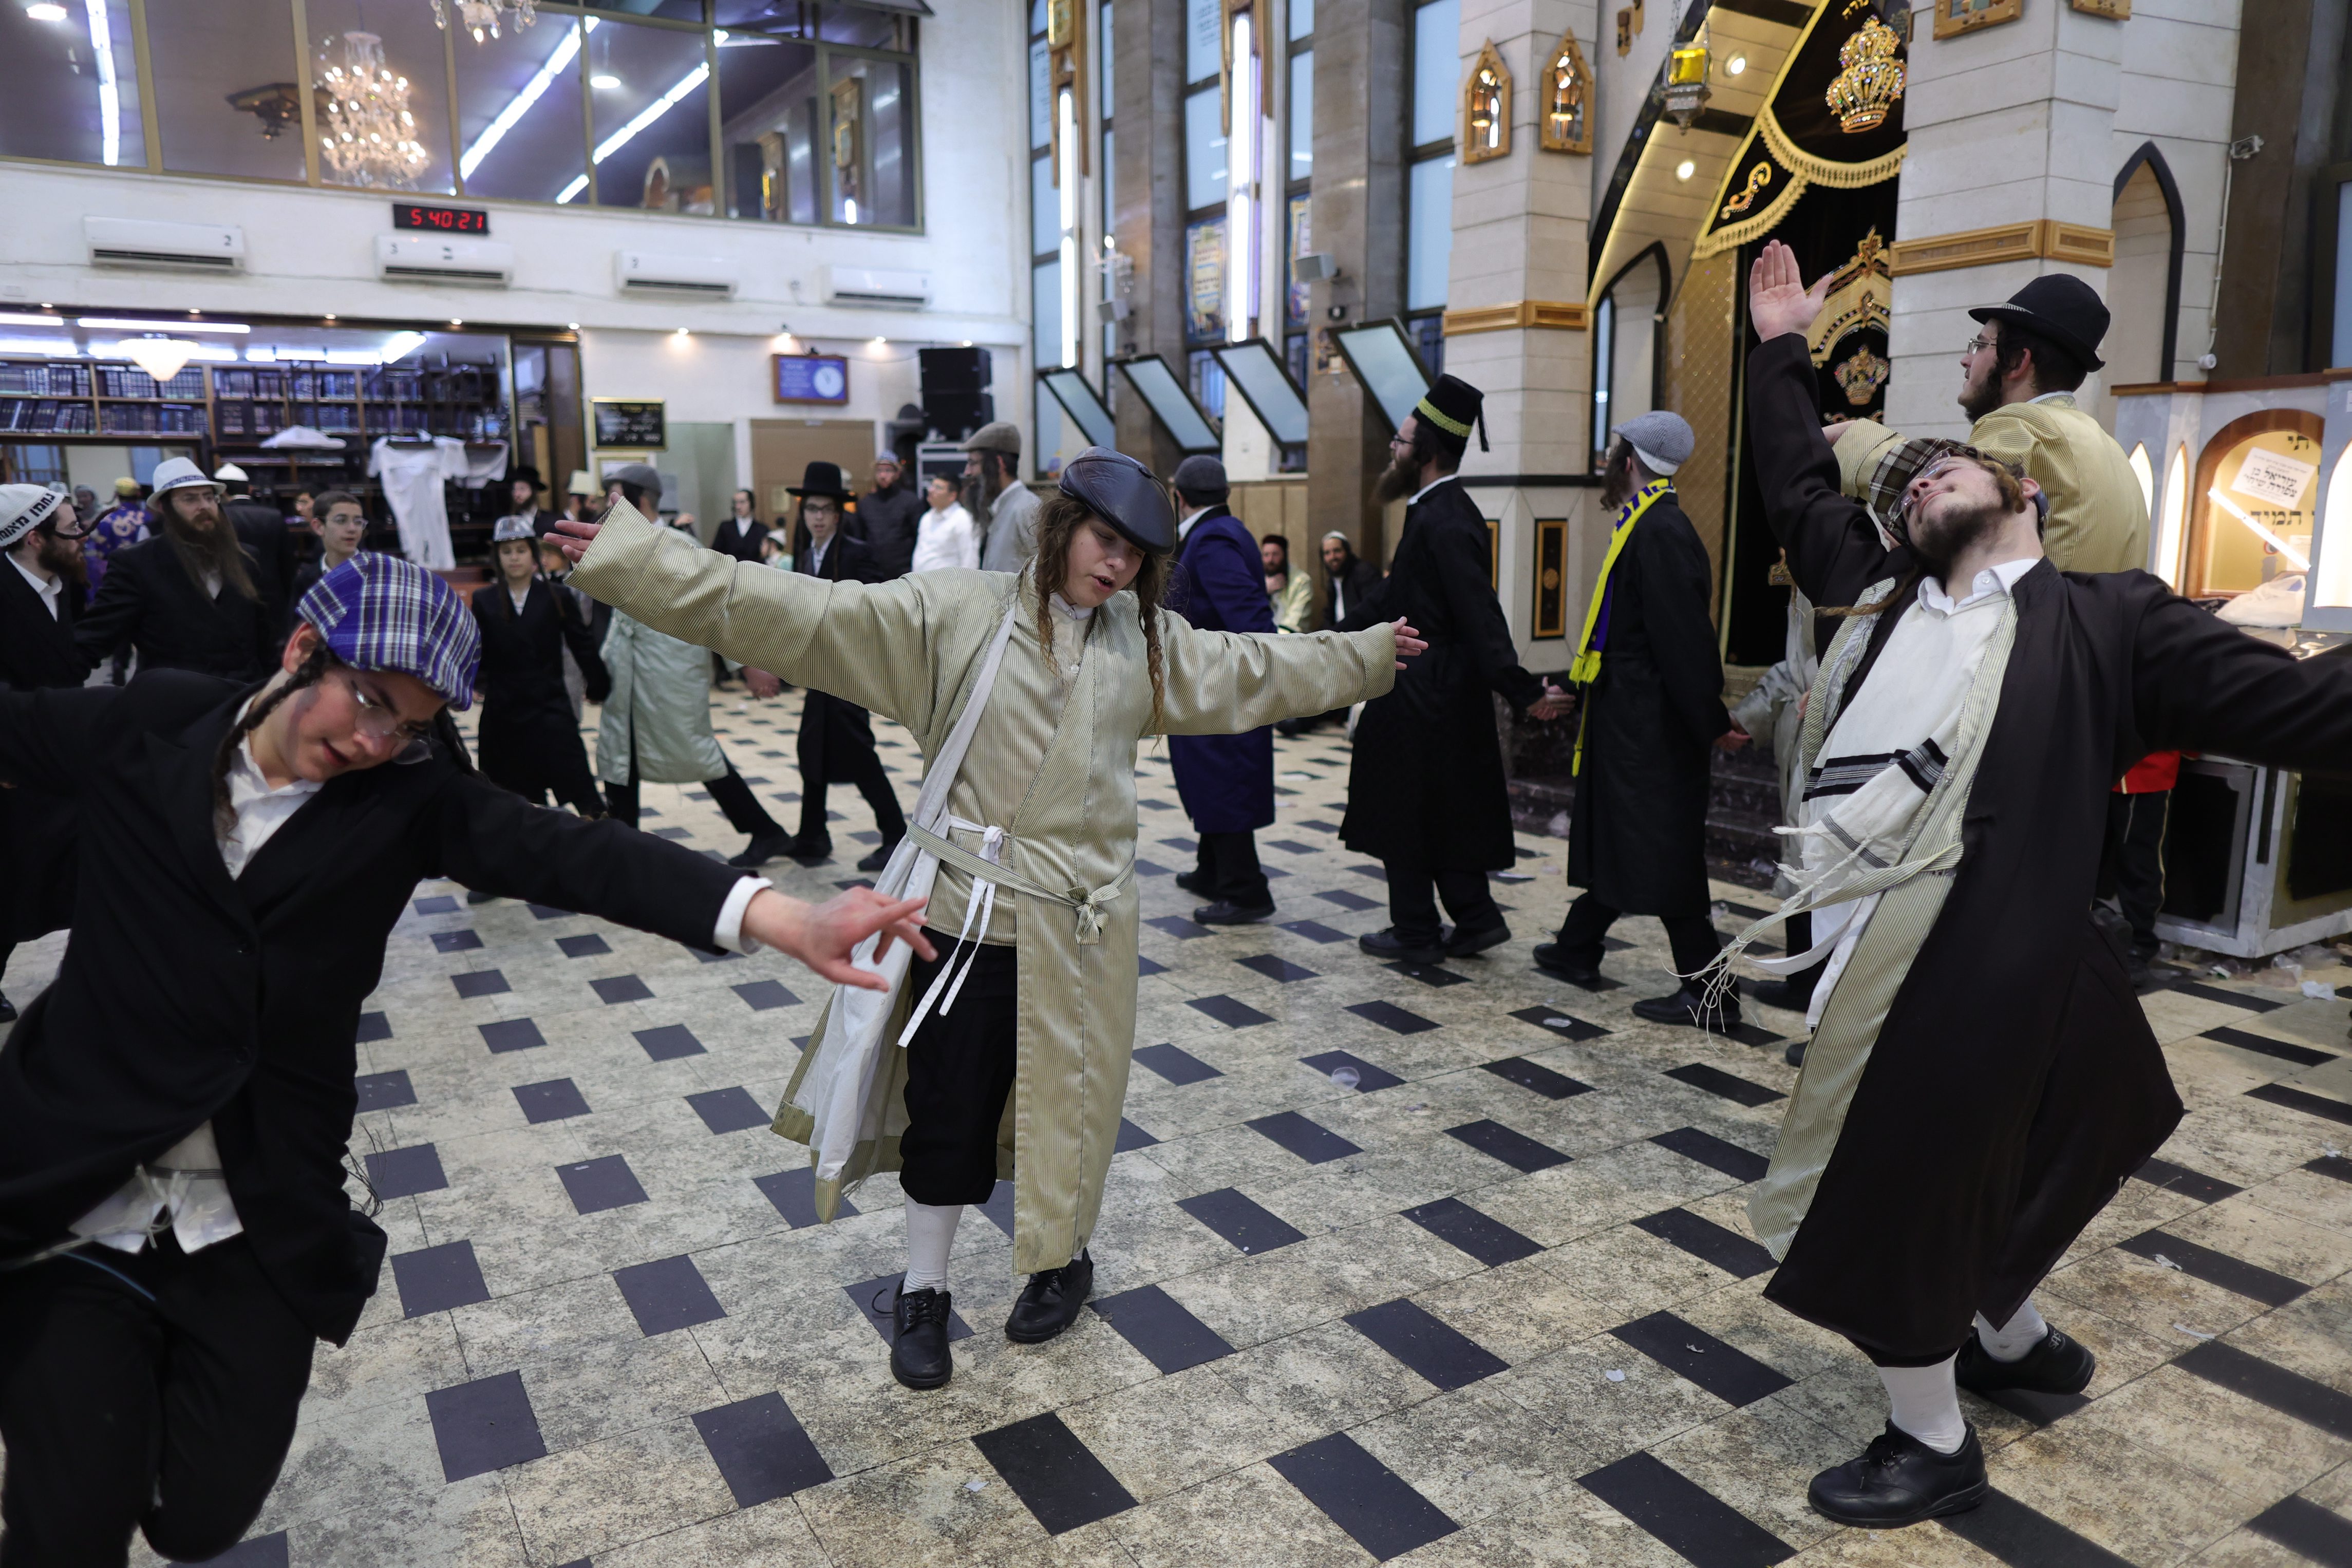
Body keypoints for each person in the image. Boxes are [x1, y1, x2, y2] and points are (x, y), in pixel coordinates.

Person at [0, 552, 932, 1568]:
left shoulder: (403, 798)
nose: (371, 740)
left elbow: (572, 852)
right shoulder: (158, 721)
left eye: (405, 724)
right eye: (366, 704)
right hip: (80, 1183)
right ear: (302, 649)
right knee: (69, 1523)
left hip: (256, 1198)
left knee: (199, 1514)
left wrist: (782, 914)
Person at [552, 446, 1415, 1393]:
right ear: (1058, 527)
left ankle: (1060, 1258)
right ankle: (923, 1289)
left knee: (1072, 1105)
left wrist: (1366, 651)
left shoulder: (1146, 641)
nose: (1116, 563)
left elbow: (1253, 670)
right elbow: (795, 609)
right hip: (962, 914)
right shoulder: (954, 612)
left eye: (1134, 551)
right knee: (948, 1108)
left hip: (1081, 926)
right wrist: (637, 558)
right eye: (1100, 538)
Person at [1728, 238, 2352, 1528]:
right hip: (1859, 954)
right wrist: (1782, 347)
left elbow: (2298, 704)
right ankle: (2012, 1337)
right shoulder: (1880, 595)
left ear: (2024, 495)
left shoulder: (2108, 619)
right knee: (1969, 1173)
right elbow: (1798, 486)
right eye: (1903, 490)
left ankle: (1935, 1433)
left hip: (1978, 977)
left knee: (1894, 1196)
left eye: (1947, 464)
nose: (1920, 484)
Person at [1339, 375, 1568, 966]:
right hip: (1427, 683)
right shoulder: (1434, 511)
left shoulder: (1445, 518)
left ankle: (1415, 928)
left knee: (1403, 806)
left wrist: (1521, 689)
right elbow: (1397, 594)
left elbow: (1478, 613)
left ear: (1428, 451)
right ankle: (1475, 917)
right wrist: (1324, 637)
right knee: (1438, 807)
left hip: (1428, 691)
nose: (1394, 447)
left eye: (1402, 439)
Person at [1534, 411, 1748, 1030]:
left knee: (1663, 853)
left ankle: (1712, 993)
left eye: (1612, 449)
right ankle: (1578, 947)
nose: (1608, 458)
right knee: (1622, 836)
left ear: (1627, 460)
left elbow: (1685, 642)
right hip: (1627, 721)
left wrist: (1710, 719)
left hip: (1650, 732)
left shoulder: (1659, 531)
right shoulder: (1647, 523)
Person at [1827, 274, 2147, 575]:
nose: (1966, 360)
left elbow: (1945, 504)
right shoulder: (2111, 448)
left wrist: (1850, 436)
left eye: (1980, 346)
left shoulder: (2023, 423)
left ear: (2017, 361)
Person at [591, 465, 796, 867]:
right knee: (620, 751)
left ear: (641, 499)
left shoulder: (677, 545)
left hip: (671, 671)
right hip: (629, 668)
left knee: (697, 750)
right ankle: (622, 845)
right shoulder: (616, 544)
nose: (607, 506)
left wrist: (746, 665)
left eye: (615, 496)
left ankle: (765, 831)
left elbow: (717, 606)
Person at [751, 463, 907, 874]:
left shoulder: (856, 551)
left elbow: (878, 606)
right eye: (811, 509)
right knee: (811, 747)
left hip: (849, 673)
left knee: (859, 754)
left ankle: (895, 837)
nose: (818, 517)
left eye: (825, 509)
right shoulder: (805, 556)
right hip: (818, 674)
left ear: (838, 513)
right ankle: (813, 834)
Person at [1164, 456, 1279, 924]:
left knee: (1223, 784)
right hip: (1209, 689)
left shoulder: (1211, 540)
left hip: (1218, 690)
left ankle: (1245, 890)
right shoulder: (1225, 529)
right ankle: (1211, 869)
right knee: (1207, 781)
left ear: (1180, 496)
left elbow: (1251, 619)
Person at [0, 486, 93, 1026]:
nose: (81, 538)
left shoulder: (63, 584)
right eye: (70, 529)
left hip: (61, 761)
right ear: (34, 537)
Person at [1728, 556, 1826, 1046]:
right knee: (1796, 850)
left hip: (1824, 726)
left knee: (1815, 851)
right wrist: (1749, 716)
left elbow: (1811, 668)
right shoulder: (1810, 575)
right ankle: (1801, 978)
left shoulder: (1838, 571)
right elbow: (1793, 667)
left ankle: (1815, 986)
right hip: (1799, 721)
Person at [77, 458, 275, 684]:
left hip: (242, 698)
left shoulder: (245, 560)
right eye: (190, 499)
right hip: (175, 702)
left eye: (209, 497)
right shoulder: (137, 564)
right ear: (163, 507)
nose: (204, 506)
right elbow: (96, 636)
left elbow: (264, 637)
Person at [469, 516, 609, 823]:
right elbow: (476, 649)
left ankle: (605, 851)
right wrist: (476, 683)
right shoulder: (484, 599)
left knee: (582, 790)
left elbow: (581, 643)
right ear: (497, 557)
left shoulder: (556, 596)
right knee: (509, 797)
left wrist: (599, 683)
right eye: (507, 552)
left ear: (534, 554)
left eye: (521, 550)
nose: (515, 558)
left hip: (550, 706)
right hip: (503, 711)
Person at [1278, 532, 1385, 735]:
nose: (1332, 557)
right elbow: (1330, 615)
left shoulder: (1364, 573)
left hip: (1363, 643)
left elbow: (1366, 613)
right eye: (1327, 553)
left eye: (1337, 551)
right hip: (1342, 641)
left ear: (1347, 552)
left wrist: (1333, 637)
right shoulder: (1334, 581)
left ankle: (1303, 720)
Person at [215, 463, 297, 636]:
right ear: (250, 489)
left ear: (222, 493)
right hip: (273, 597)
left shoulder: (219, 517)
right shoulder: (274, 515)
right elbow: (287, 563)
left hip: (233, 597)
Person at [964, 422, 1041, 574]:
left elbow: (1047, 573)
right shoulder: (999, 508)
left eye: (973, 463)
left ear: (999, 464)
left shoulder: (1027, 507)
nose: (968, 472)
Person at [288, 489, 368, 621]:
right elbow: (296, 632)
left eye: (358, 522)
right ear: (319, 527)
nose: (352, 529)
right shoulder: (306, 580)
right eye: (341, 521)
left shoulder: (378, 575)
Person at [82, 477, 150, 602]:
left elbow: (100, 554)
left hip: (117, 578)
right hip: (148, 577)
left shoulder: (106, 520)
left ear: (117, 495)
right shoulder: (149, 518)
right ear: (138, 495)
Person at [857, 454, 924, 578]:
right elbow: (860, 540)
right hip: (873, 574)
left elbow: (921, 539)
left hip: (904, 573)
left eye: (888, 471)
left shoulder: (911, 501)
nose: (883, 476)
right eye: (880, 471)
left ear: (897, 473)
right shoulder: (865, 503)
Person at [911, 473, 979, 572]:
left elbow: (969, 560)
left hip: (949, 586)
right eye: (932, 486)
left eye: (938, 488)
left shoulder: (962, 519)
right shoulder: (927, 517)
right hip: (921, 585)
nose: (931, 491)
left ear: (952, 495)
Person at [1261, 534, 1313, 633]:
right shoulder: (1258, 581)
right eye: (1266, 555)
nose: (1270, 560)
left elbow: (1295, 623)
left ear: (1284, 555)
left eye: (1275, 554)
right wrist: (1264, 591)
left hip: (1290, 643)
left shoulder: (1301, 581)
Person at [711, 489, 767, 566]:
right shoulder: (725, 527)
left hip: (754, 574)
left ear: (751, 503)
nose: (738, 507)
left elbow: (765, 557)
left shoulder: (762, 529)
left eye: (742, 502)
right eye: (735, 503)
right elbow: (715, 553)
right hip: (729, 572)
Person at [499, 465, 556, 537]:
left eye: (522, 489)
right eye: (514, 490)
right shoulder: (508, 522)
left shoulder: (550, 521)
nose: (517, 494)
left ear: (534, 491)